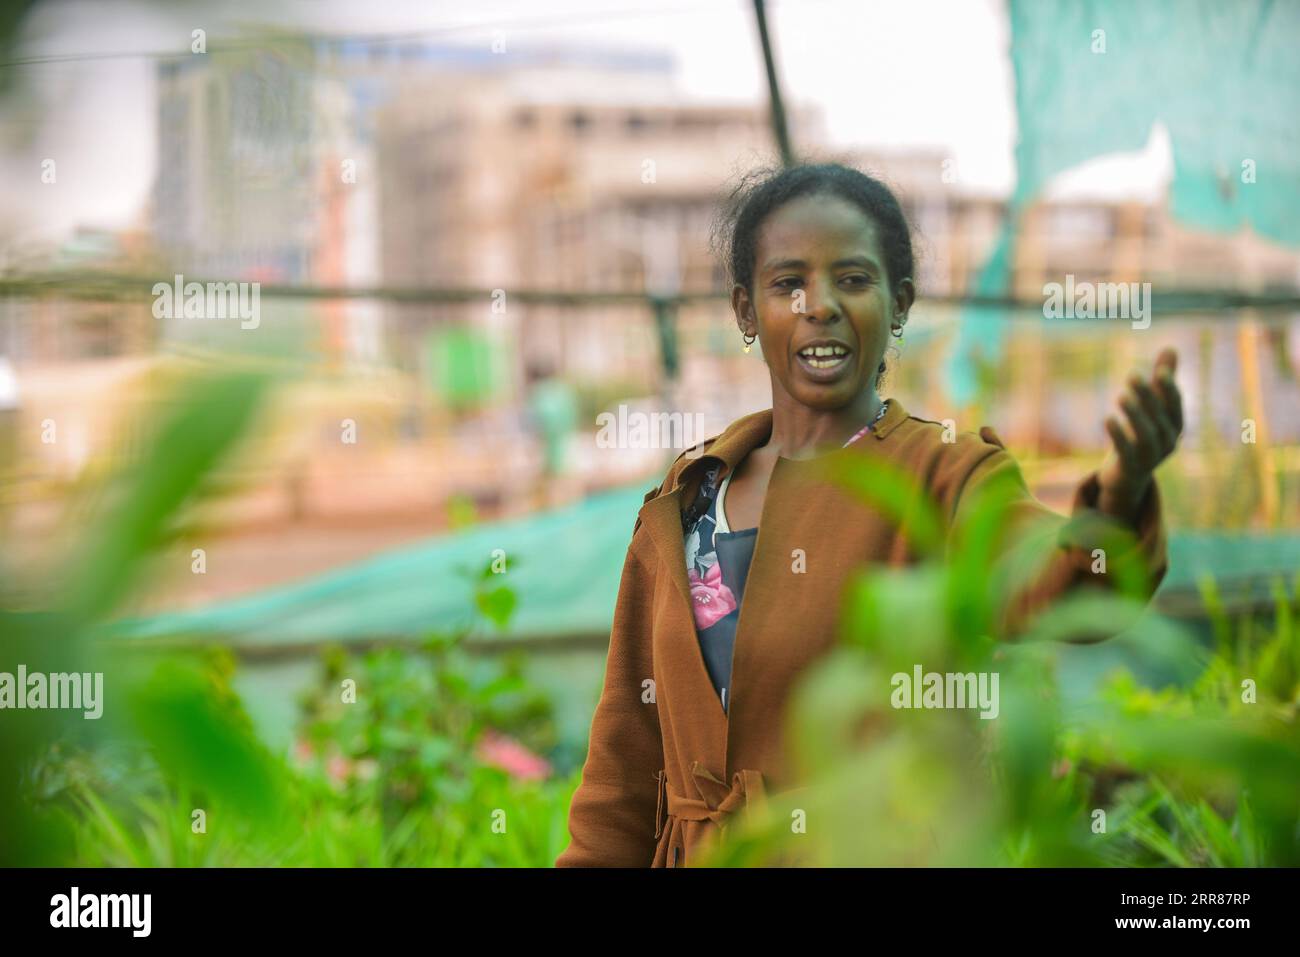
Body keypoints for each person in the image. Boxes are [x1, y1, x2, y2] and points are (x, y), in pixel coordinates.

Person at [555, 162, 1182, 868]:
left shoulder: (944, 475)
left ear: (900, 304)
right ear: (744, 310)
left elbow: (1058, 581)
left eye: (852, 279)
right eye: (788, 282)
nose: (819, 304)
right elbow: (624, 760)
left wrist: (1120, 498)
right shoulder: (688, 496)